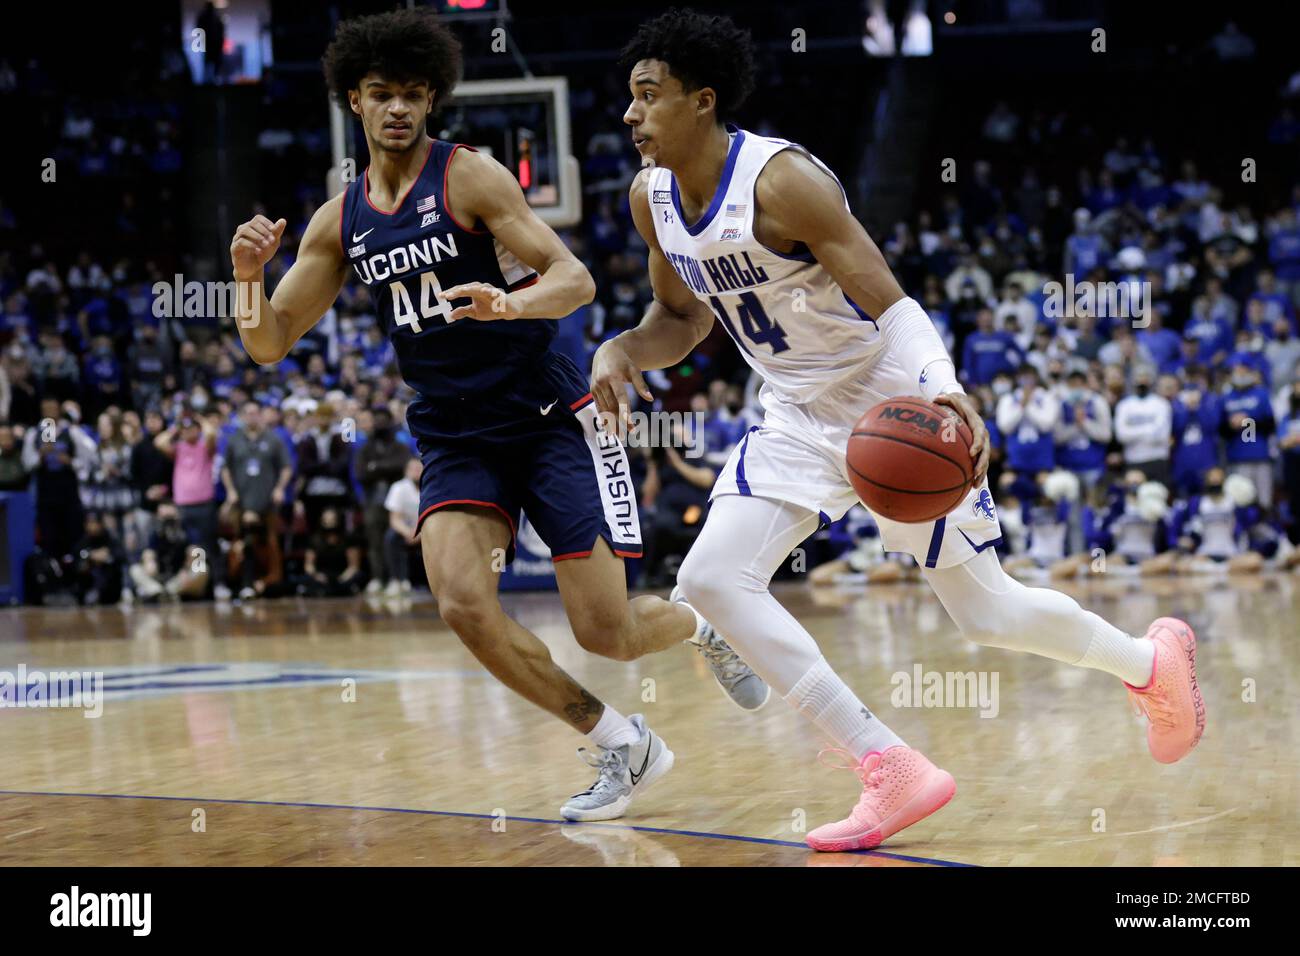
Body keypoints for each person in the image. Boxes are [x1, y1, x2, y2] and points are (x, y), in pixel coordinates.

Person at [593, 8, 1205, 852]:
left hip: (887, 406)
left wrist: (943, 388)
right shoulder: (650, 197)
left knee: (988, 615)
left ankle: (1151, 665)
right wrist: (623, 346)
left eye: (649, 96)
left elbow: (890, 298)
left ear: (702, 101)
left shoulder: (783, 182)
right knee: (711, 580)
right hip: (794, 414)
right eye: (629, 97)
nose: (631, 115)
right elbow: (680, 317)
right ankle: (888, 766)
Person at [226, 7, 764, 821]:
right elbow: (269, 342)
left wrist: (507, 307)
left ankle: (704, 625)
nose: (398, 108)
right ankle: (624, 743)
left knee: (607, 632)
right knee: (461, 603)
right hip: (452, 432)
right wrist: (243, 275)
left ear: (433, 99)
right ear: (353, 103)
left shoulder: (471, 177)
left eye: (413, 92)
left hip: (549, 413)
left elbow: (575, 280)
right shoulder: (340, 221)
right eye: (381, 94)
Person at [382, 456, 422, 596]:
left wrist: (419, 534)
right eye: (413, 469)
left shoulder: (430, 487)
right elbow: (394, 519)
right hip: (406, 532)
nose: (416, 472)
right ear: (406, 471)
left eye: (419, 469)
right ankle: (397, 580)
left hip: (426, 532)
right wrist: (408, 533)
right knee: (391, 537)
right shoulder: (398, 487)